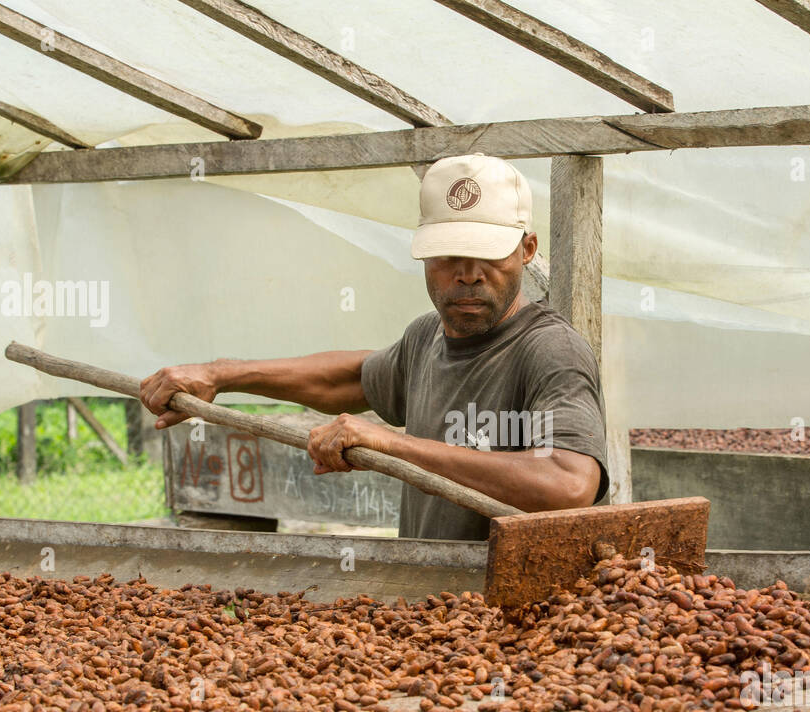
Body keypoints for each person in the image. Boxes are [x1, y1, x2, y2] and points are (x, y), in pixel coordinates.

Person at [140, 153, 608, 541]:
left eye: (489, 254)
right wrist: (222, 375)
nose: (468, 273)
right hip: (435, 609)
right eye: (449, 256)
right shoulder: (426, 339)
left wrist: (395, 446)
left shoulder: (549, 351)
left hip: (517, 628)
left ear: (527, 250)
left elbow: (568, 484)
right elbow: (352, 377)